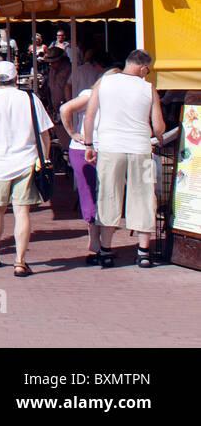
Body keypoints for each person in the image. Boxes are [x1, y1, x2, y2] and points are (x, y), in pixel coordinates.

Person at [84, 50, 166, 268]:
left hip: (110, 147)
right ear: (142, 68)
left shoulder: (104, 82)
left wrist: (89, 144)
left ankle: (106, 250)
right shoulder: (149, 88)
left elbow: (90, 115)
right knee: (144, 196)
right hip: (141, 148)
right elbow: (158, 126)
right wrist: (160, 135)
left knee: (109, 195)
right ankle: (143, 252)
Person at [0, 60, 52, 277]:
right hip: (26, 161)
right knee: (22, 211)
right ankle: (19, 260)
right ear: (16, 78)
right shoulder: (30, 99)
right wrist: (45, 158)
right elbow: (44, 133)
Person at [60, 67, 115, 265]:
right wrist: (73, 133)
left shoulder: (115, 99)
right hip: (85, 149)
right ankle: (95, 242)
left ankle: (100, 244)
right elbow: (65, 108)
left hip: (107, 149)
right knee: (90, 194)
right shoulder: (90, 95)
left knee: (104, 195)